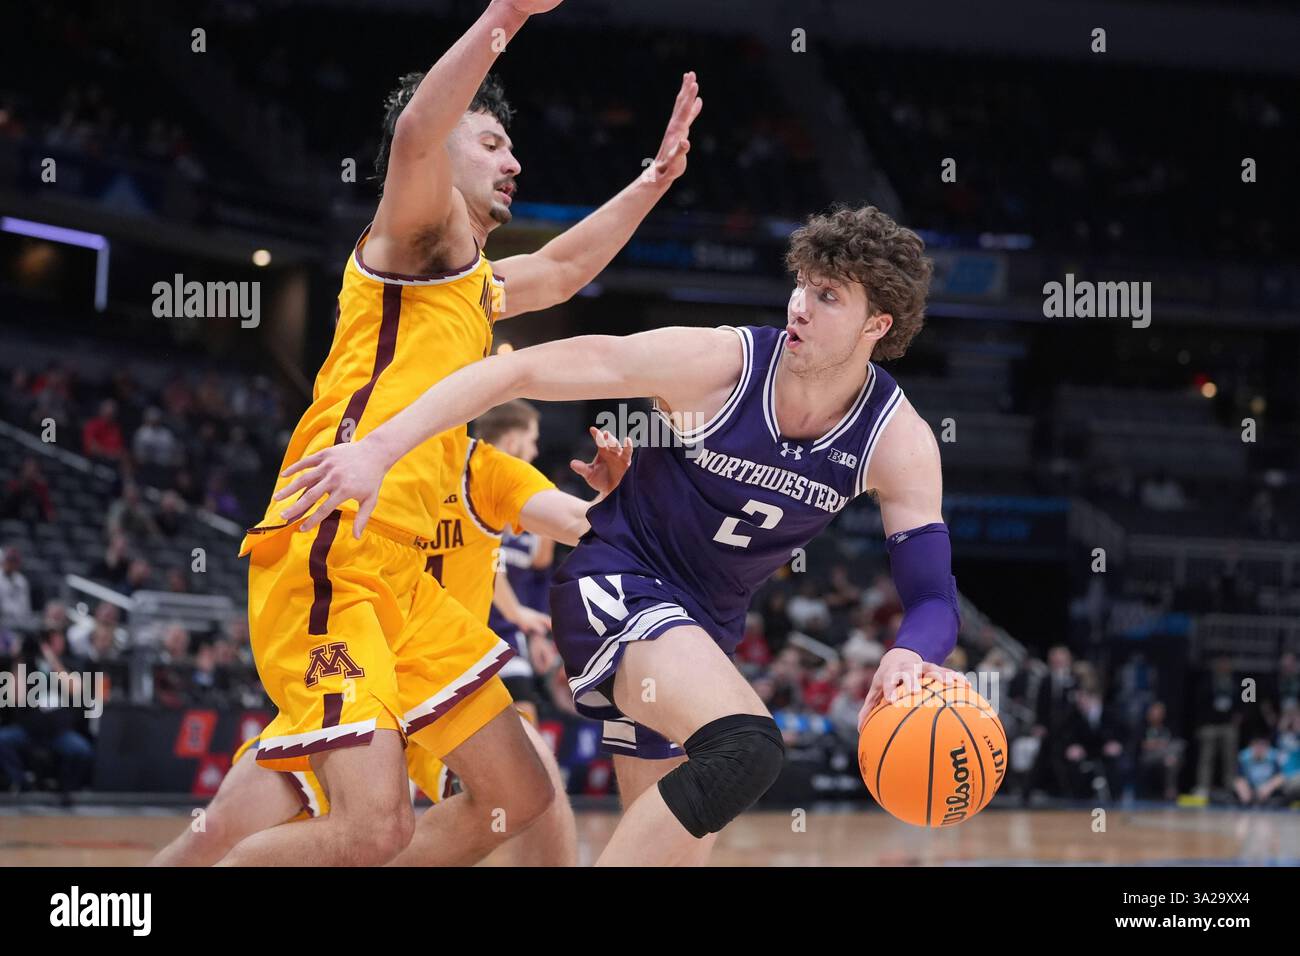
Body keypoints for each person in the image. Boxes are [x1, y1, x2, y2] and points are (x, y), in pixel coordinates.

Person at [275, 204, 969, 866]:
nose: (799, 306)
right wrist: (377, 449)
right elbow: (519, 371)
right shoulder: (719, 365)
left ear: (877, 324)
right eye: (802, 286)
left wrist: (910, 654)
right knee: (748, 749)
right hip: (619, 582)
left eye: (828, 298)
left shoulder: (896, 439)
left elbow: (934, 598)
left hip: (702, 629)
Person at [218, 0, 700, 867]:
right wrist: (505, 14)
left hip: (406, 577)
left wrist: (655, 179)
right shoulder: (412, 242)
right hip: (337, 543)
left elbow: (565, 267)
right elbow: (412, 134)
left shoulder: (473, 284)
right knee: (373, 824)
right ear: (442, 161)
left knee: (518, 797)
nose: (513, 159)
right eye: (490, 143)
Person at [152, 419, 630, 866]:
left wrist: (617, 510)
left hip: (437, 686)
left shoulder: (481, 469)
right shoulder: (359, 451)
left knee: (532, 785)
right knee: (213, 830)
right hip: (355, 676)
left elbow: (571, 517)